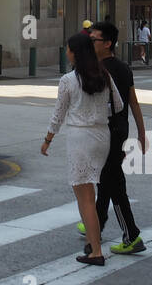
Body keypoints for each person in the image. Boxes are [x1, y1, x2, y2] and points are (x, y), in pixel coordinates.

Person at [42, 33, 122, 266]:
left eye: (68, 49)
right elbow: (117, 105)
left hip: (80, 137)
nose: (66, 52)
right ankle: (92, 243)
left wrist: (48, 139)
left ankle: (96, 251)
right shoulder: (103, 75)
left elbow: (58, 114)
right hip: (101, 136)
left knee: (85, 198)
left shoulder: (68, 80)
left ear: (75, 53)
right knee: (91, 194)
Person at [88, 21, 148, 255]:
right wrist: (141, 134)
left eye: (94, 40)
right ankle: (97, 222)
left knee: (115, 185)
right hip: (118, 131)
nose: (90, 43)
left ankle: (131, 235)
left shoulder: (100, 70)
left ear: (107, 43)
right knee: (107, 179)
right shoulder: (124, 68)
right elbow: (133, 103)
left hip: (106, 133)